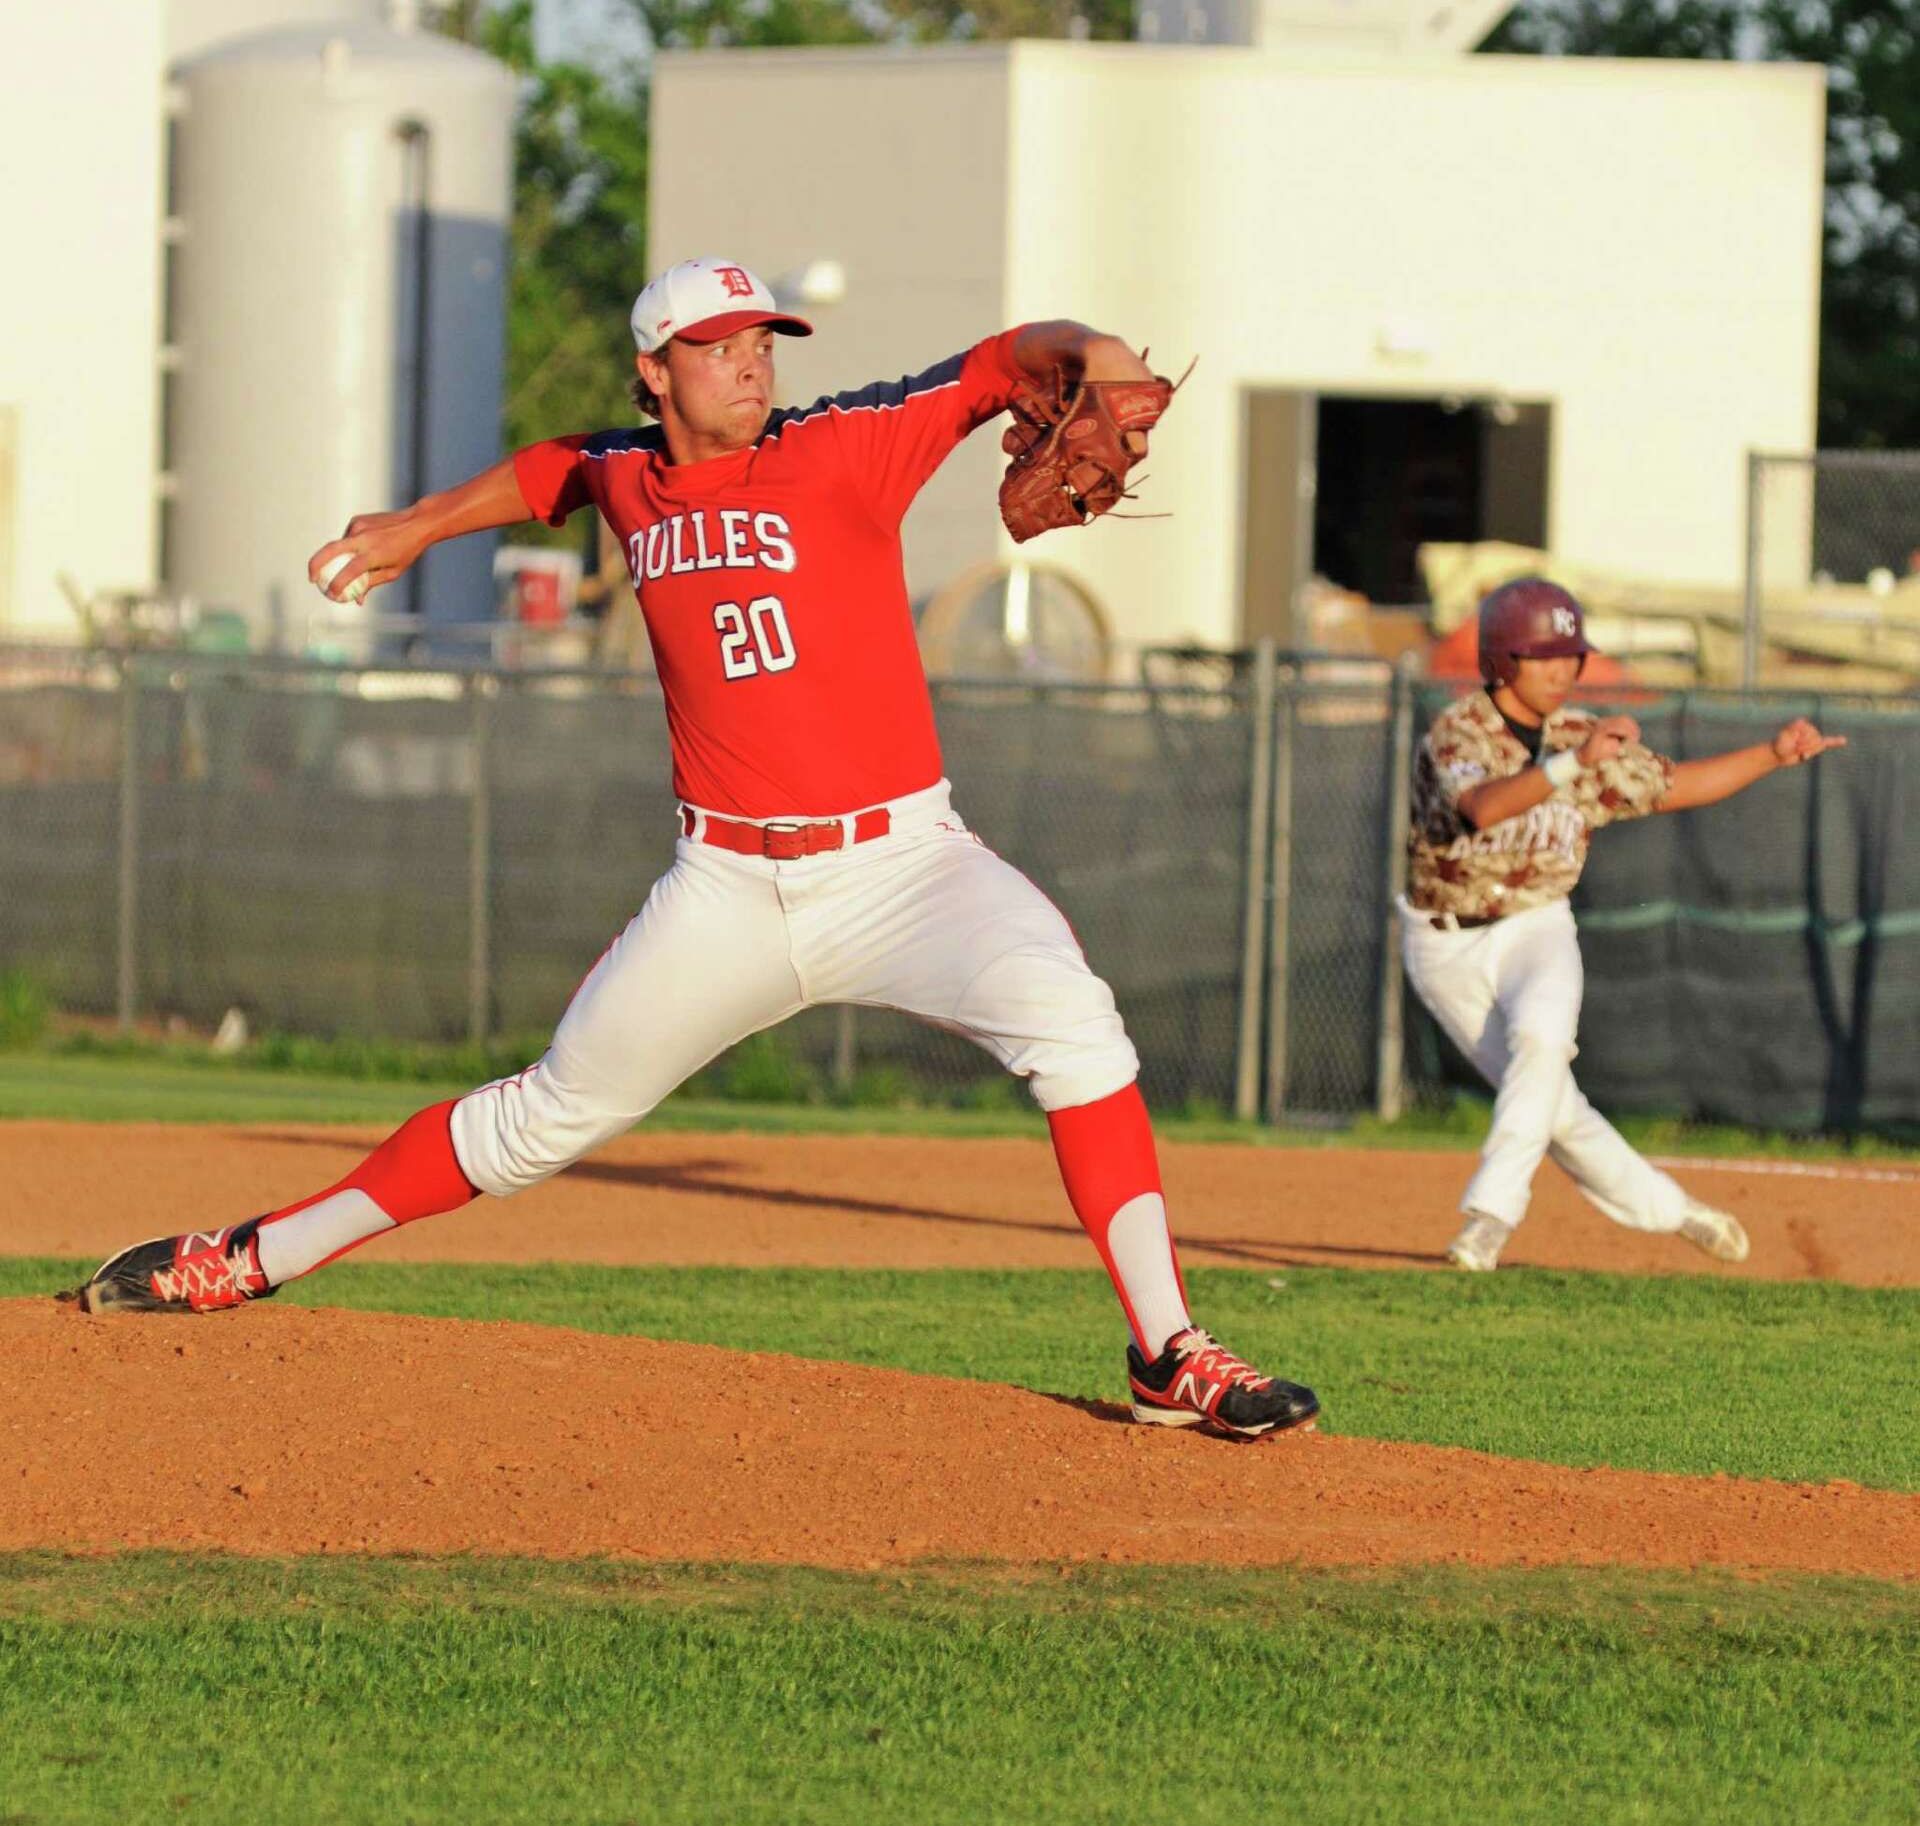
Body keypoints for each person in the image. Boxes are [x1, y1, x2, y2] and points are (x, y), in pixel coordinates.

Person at [75, 256, 1319, 1441]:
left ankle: (1168, 1351)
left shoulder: (848, 442)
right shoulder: (629, 474)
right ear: (655, 370)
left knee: (1078, 1028)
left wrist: (1094, 351)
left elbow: (1003, 362)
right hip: (726, 890)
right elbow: (560, 468)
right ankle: (250, 1255)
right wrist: (419, 524)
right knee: (537, 1125)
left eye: (762, 341)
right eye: (718, 346)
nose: (751, 363)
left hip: (906, 866)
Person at [1400, 576, 1846, 1273]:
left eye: (1570, 655)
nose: (1562, 670)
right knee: (1555, 1108)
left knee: (1544, 1040)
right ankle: (1676, 1210)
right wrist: (1575, 763)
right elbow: (1483, 808)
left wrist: (1773, 754)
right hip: (1444, 942)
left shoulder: (1581, 735)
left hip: (1537, 926)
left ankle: (1489, 1218)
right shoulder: (1460, 731)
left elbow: (1676, 785)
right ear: (1501, 659)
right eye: (1542, 655)